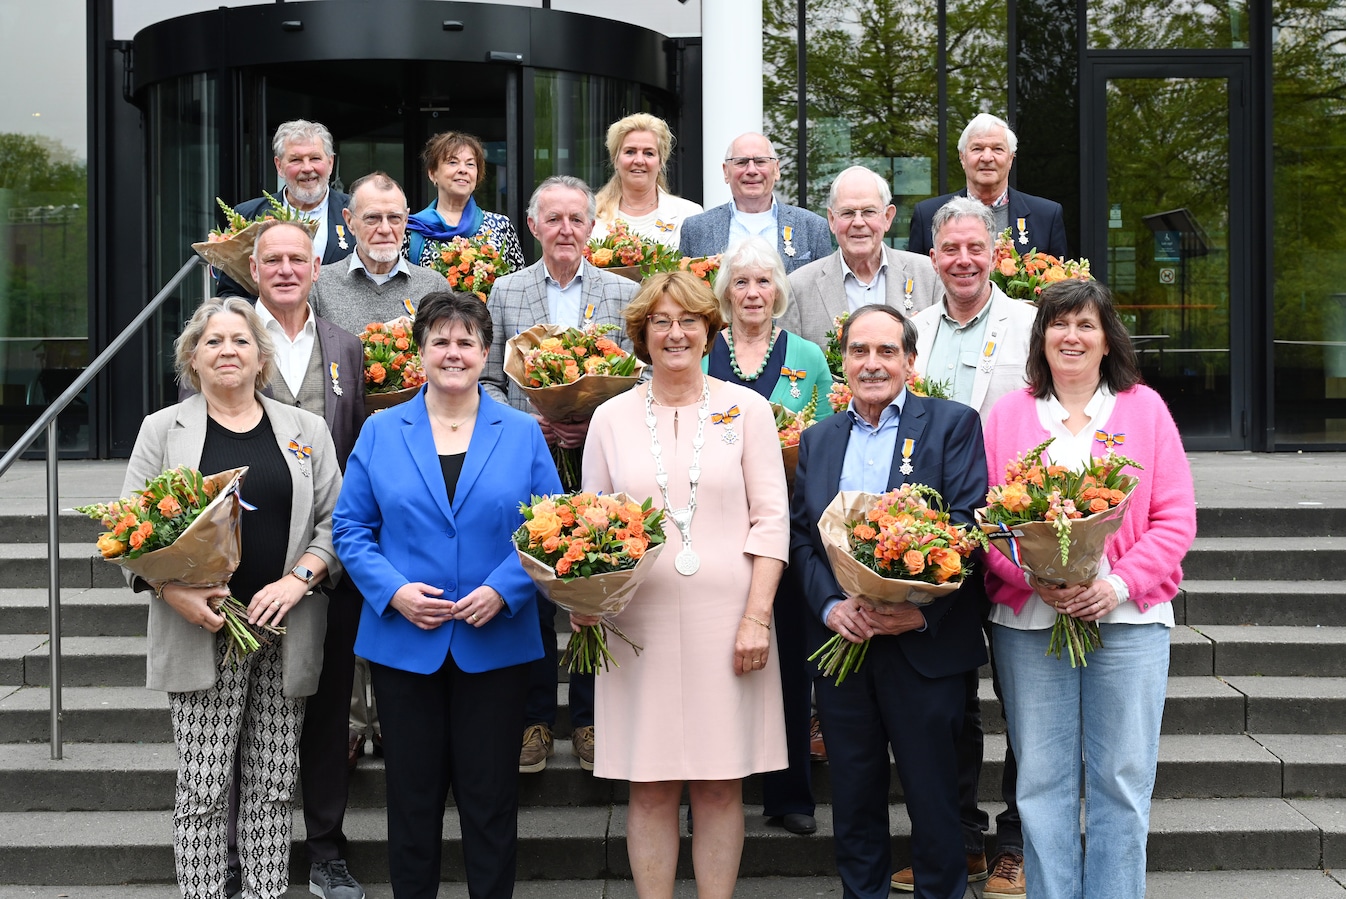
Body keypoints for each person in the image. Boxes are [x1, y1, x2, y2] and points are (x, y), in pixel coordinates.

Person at [331, 291, 561, 899]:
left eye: (465, 342)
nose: (453, 352)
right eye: (440, 341)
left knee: (490, 805)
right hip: (407, 643)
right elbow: (351, 529)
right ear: (421, 352)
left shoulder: (521, 432)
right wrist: (395, 592)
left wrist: (505, 588)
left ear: (485, 353)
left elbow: (551, 526)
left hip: (496, 642)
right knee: (411, 804)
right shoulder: (381, 431)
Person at [981, 279, 1195, 899]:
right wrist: (1033, 577)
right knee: (1041, 786)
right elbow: (991, 524)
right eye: (1058, 324)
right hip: (1030, 628)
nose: (1071, 337)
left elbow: (1175, 517)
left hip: (1128, 624)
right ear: (1041, 338)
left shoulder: (1144, 409)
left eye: (1085, 325)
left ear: (1107, 341)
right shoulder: (1011, 415)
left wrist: (1119, 584)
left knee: (1122, 784)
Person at [579, 269, 789, 898]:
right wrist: (584, 599)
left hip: (731, 622)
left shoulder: (746, 408)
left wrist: (757, 618)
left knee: (721, 783)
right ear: (642, 336)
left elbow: (772, 518)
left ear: (710, 330)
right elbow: (587, 524)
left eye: (689, 321)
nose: (676, 333)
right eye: (661, 323)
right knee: (649, 782)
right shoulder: (609, 418)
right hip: (635, 625)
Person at [123, 297, 341, 899]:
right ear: (193, 357)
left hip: (285, 628)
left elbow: (336, 525)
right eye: (213, 341)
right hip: (202, 630)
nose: (227, 351)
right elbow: (126, 533)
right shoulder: (163, 430)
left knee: (273, 785)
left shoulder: (306, 429)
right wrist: (172, 592)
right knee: (203, 787)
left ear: (261, 356)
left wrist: (299, 579)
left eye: (240, 341)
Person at [790, 304, 988, 899]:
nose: (871, 364)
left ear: (909, 360)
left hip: (923, 648)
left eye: (885, 352)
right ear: (843, 360)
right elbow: (802, 537)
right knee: (852, 798)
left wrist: (921, 610)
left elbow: (966, 528)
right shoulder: (818, 440)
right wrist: (830, 606)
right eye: (859, 351)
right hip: (843, 645)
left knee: (935, 802)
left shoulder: (953, 424)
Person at [895, 197, 1035, 897]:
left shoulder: (1030, 326)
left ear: (995, 254)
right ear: (932, 256)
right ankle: (959, 839)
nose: (962, 260)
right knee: (949, 700)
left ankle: (1016, 840)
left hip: (1010, 538)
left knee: (1022, 699)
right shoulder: (910, 330)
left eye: (975, 247)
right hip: (931, 545)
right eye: (949, 248)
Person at [483, 175, 638, 773]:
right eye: (554, 219)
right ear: (534, 226)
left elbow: (642, 376)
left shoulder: (623, 294)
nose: (566, 229)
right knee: (533, 582)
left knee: (596, 576)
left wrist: (590, 420)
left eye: (577, 218)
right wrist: (536, 421)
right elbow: (491, 378)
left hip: (601, 458)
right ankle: (535, 721)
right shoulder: (506, 291)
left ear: (592, 227)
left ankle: (592, 717)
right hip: (529, 458)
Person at [245, 219, 366, 899]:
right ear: (255, 268)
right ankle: (240, 854)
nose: (287, 269)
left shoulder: (344, 346)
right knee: (239, 721)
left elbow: (353, 448)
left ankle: (326, 851)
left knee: (325, 716)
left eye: (299, 258)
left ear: (316, 267)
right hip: (243, 564)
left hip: (329, 565)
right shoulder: (227, 336)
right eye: (274, 259)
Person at [701, 235, 831, 837]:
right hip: (711, 529)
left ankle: (790, 796)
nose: (753, 292)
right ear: (725, 293)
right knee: (712, 654)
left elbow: (827, 439)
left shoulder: (808, 353)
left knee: (792, 658)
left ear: (779, 291)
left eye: (763, 282)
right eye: (742, 282)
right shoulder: (701, 352)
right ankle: (706, 778)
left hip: (789, 524)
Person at [781, 166, 941, 351]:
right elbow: (790, 365)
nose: (858, 222)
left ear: (888, 217)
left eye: (869, 212)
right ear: (832, 220)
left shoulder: (929, 277)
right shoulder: (798, 287)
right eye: (847, 213)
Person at [218, 119, 353, 299]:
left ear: (330, 162)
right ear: (279, 166)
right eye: (296, 160)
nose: (307, 168)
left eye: (315, 158)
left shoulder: (356, 213)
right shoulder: (247, 215)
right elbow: (230, 294)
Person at [907, 114, 1067, 259]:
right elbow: (916, 280)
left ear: (1011, 158)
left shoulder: (1046, 216)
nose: (987, 157)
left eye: (998, 149)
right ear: (962, 158)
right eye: (977, 149)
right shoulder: (927, 215)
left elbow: (1060, 287)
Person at [311, 172, 448, 335]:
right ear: (349, 221)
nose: (385, 229)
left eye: (394, 218)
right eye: (372, 218)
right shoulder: (318, 286)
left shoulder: (434, 286)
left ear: (405, 221)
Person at [679, 132, 831, 273]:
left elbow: (823, 291)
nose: (751, 170)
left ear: (776, 169)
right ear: (726, 171)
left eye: (760, 161)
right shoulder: (696, 229)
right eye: (741, 162)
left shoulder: (813, 228)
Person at [407, 131, 526, 274]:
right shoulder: (412, 229)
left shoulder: (500, 226)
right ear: (432, 173)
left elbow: (518, 287)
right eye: (452, 162)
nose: (463, 170)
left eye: (470, 164)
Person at [591, 112, 703, 248]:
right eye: (630, 152)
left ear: (660, 162)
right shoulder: (590, 214)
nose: (639, 160)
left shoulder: (689, 215)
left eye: (648, 153)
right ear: (615, 160)